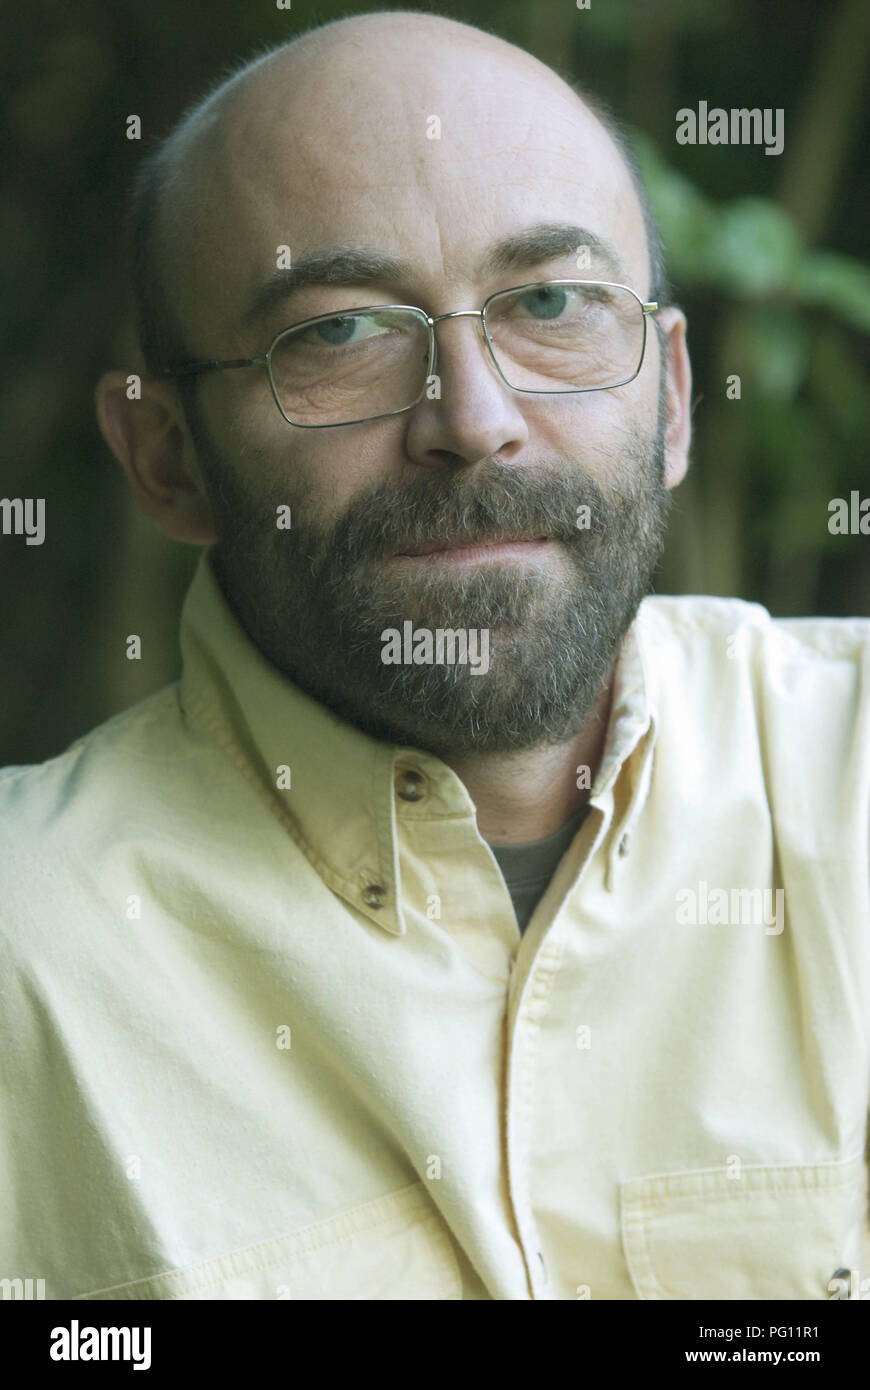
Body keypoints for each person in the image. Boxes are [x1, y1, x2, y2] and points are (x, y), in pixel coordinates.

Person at [1, 10, 867, 1303]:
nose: (473, 420)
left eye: (553, 304)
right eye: (339, 331)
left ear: (673, 397)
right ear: (167, 456)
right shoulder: (30, 955)